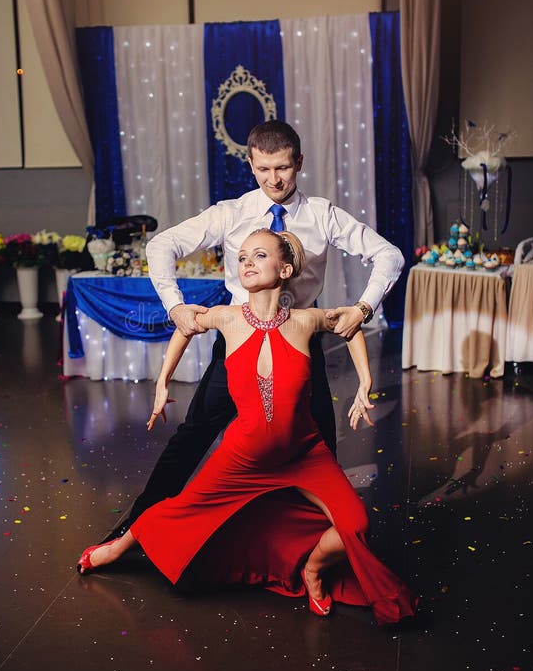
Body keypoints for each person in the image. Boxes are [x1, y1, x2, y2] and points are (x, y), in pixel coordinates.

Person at [78, 229, 417, 625]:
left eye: (259, 255)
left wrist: (365, 382)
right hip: (243, 457)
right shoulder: (227, 317)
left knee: (356, 525)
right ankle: (118, 548)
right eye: (242, 258)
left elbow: (350, 326)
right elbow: (185, 325)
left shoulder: (306, 320)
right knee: (179, 508)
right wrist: (162, 382)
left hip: (305, 454)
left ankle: (311, 571)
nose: (247, 263)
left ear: (285, 269)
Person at [102, 120, 404, 543]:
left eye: (282, 168)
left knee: (319, 440)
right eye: (263, 169)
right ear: (250, 165)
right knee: (194, 434)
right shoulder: (232, 212)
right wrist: (175, 306)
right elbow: (161, 245)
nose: (273, 179)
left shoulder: (322, 214)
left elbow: (389, 256)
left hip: (300, 341)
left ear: (299, 162)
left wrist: (363, 307)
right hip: (238, 341)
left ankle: (316, 541)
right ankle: (135, 527)